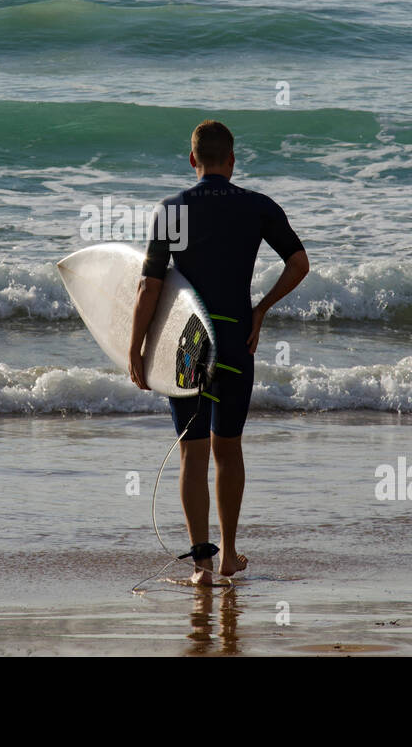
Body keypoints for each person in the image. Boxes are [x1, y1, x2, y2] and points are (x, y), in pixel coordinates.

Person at [129, 120, 309, 585]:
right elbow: (299, 262)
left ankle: (202, 566)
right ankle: (229, 555)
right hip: (234, 338)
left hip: (188, 344)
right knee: (227, 449)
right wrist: (262, 309)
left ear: (192, 161)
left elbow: (149, 286)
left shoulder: (172, 211)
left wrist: (136, 345)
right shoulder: (257, 207)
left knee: (193, 453)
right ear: (232, 161)